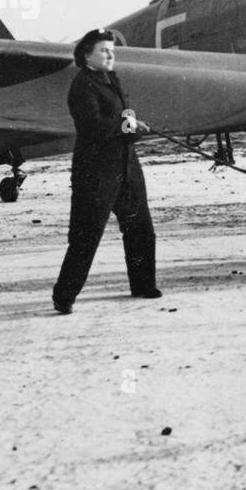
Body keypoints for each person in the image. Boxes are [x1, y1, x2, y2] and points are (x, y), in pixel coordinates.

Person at [51, 29, 162, 314]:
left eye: (112, 50)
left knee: (140, 229)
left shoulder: (111, 78)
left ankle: (143, 285)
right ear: (87, 55)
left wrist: (136, 126)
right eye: (103, 50)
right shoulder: (82, 86)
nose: (110, 54)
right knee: (86, 236)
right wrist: (128, 127)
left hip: (126, 166)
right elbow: (93, 127)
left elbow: (123, 117)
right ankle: (64, 296)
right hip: (96, 172)